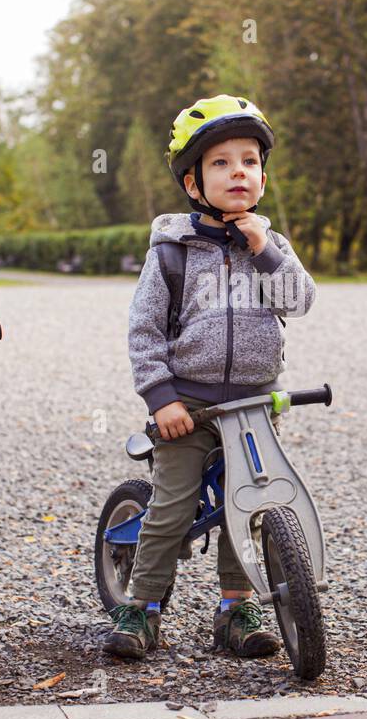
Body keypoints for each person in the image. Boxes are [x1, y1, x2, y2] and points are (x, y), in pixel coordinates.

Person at [105, 94, 316, 660]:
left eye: (248, 160)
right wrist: (161, 399)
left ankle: (236, 608)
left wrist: (265, 250)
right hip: (189, 408)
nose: (238, 171)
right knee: (173, 507)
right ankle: (142, 605)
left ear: (263, 178)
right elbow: (144, 330)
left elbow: (300, 301)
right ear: (194, 184)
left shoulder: (272, 248)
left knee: (250, 504)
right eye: (221, 163)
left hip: (253, 407)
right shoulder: (172, 253)